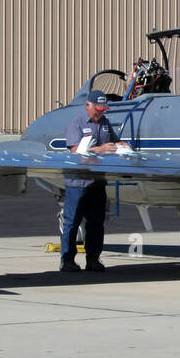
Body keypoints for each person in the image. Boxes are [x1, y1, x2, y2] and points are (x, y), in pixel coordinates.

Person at [60, 90, 129, 273]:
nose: (100, 112)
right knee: (72, 222)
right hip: (78, 182)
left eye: (102, 109)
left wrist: (122, 144)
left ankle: (93, 259)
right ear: (88, 106)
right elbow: (75, 150)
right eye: (97, 109)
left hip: (97, 181)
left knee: (96, 223)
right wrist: (101, 149)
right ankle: (67, 260)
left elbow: (114, 141)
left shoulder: (105, 123)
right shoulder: (77, 123)